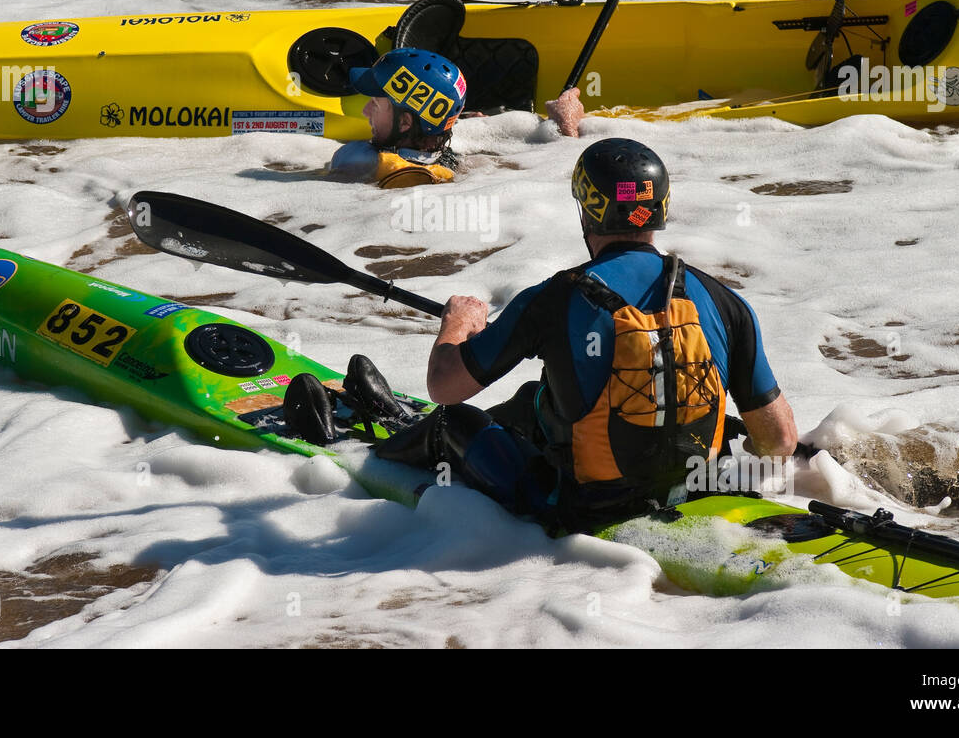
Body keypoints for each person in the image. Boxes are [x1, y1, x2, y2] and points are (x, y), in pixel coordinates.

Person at [364, 136, 797, 532]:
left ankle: (368, 454)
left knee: (450, 423)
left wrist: (458, 324)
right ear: (661, 208)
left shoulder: (555, 298)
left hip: (586, 514)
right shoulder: (724, 299)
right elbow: (778, 443)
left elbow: (445, 387)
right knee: (533, 399)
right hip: (698, 494)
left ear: (588, 210)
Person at [329, 48, 467, 188]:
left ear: (404, 122)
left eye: (375, 105)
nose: (366, 111)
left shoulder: (358, 161)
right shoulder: (451, 163)